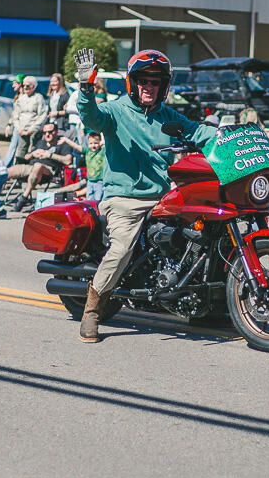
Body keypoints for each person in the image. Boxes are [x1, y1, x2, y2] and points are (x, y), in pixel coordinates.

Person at [74, 47, 216, 343]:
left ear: (163, 86)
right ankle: (92, 311)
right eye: (143, 80)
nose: (148, 86)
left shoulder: (167, 116)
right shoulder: (116, 110)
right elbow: (92, 118)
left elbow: (198, 132)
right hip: (124, 198)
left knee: (205, 230)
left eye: (155, 81)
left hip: (164, 197)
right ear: (132, 82)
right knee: (123, 247)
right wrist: (86, 87)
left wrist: (231, 134)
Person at [8, 123, 74, 212]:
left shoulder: (61, 143)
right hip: (30, 167)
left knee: (38, 166)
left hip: (49, 170)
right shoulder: (40, 142)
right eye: (45, 132)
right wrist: (32, 154)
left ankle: (24, 198)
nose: (47, 134)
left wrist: (50, 155)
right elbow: (26, 157)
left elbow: (68, 160)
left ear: (56, 132)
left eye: (50, 132)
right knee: (5, 172)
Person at [8, 76, 48, 166]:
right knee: (21, 152)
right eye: (24, 85)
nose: (25, 88)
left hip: (34, 130)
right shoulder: (20, 99)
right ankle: (19, 172)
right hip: (22, 130)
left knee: (33, 151)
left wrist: (32, 129)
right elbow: (16, 115)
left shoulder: (38, 98)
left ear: (33, 87)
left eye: (28, 86)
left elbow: (42, 115)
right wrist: (19, 129)